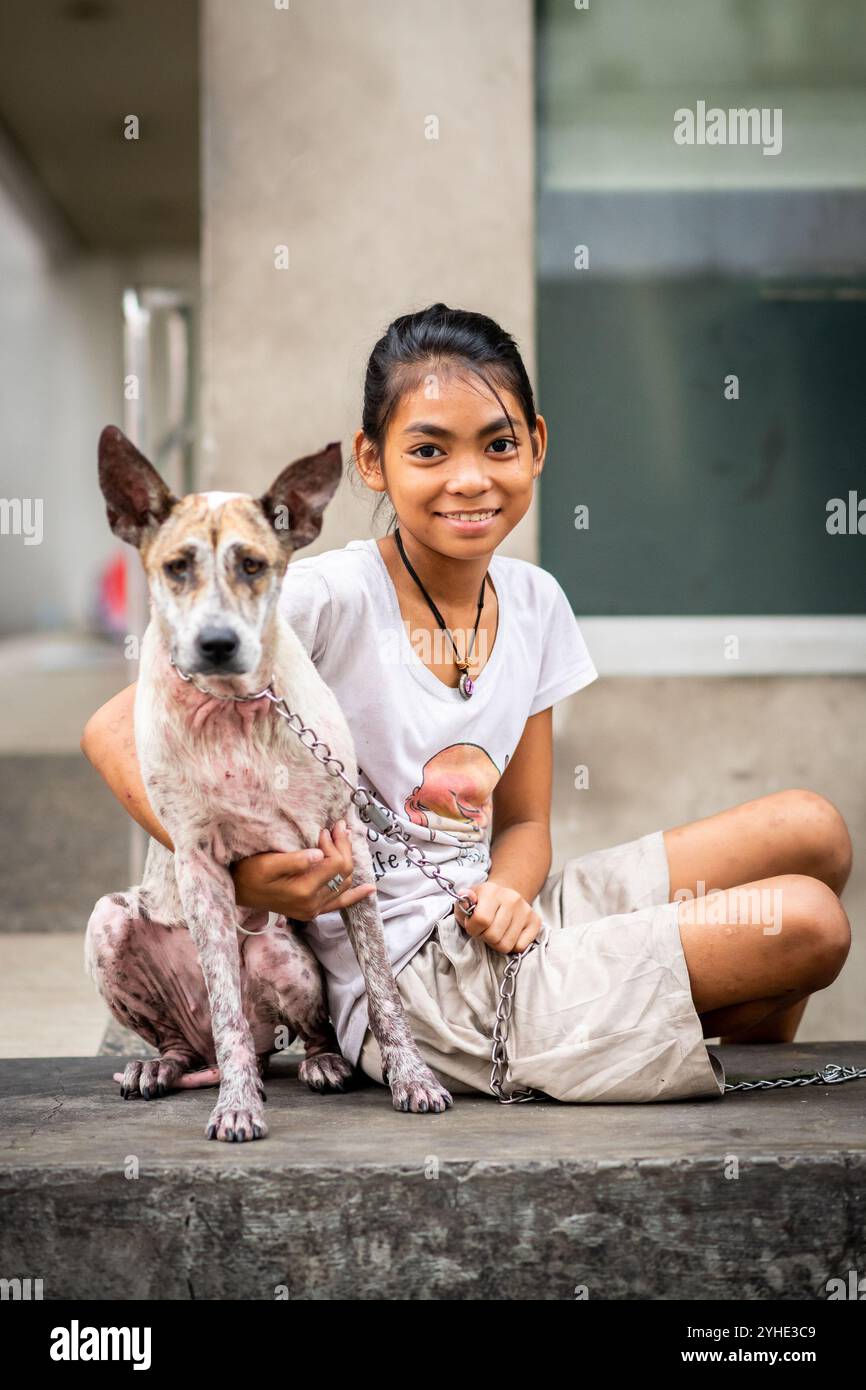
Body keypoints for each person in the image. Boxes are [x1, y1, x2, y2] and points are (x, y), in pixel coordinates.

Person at [82, 303, 852, 1103]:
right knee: (804, 924)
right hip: (418, 995)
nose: (471, 478)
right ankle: (636, 1046)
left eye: (499, 444)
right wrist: (253, 882)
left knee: (812, 830)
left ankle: (662, 1053)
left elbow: (524, 823)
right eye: (427, 450)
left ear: (537, 447)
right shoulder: (325, 595)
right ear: (371, 463)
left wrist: (512, 891)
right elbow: (112, 730)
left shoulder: (535, 599)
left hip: (492, 919)